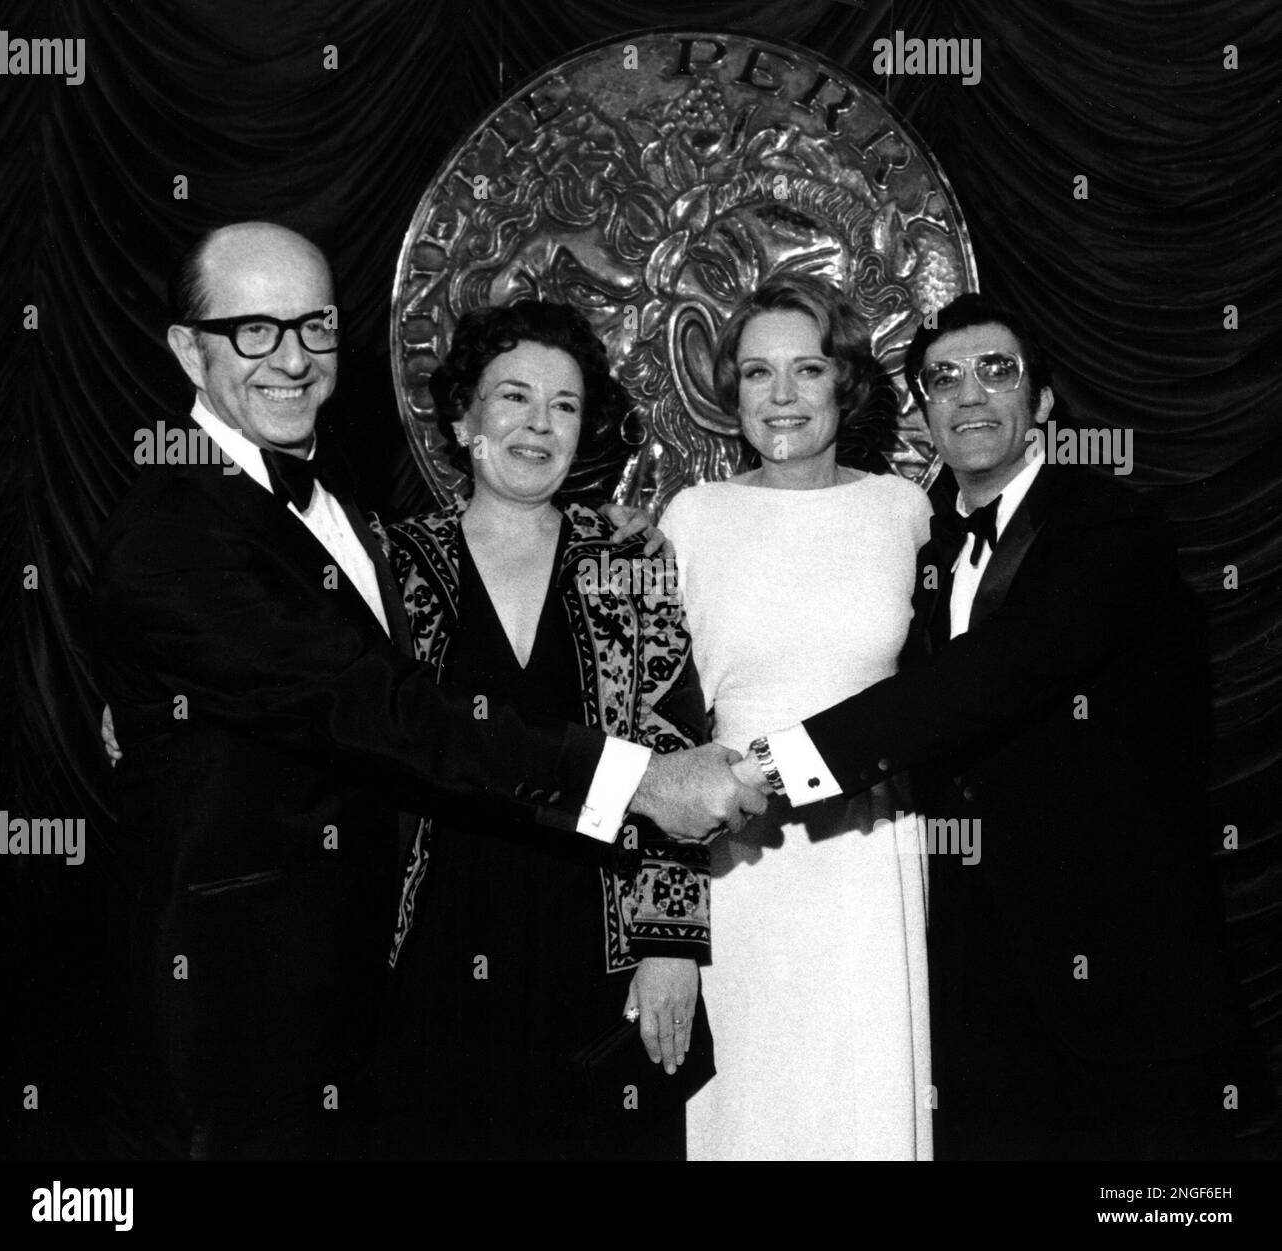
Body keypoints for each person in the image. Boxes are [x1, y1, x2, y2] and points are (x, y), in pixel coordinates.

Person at [92, 222, 764, 1159]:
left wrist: (669, 934)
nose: (291, 357)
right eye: (253, 330)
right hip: (264, 981)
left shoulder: (357, 525)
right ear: (187, 349)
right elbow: (372, 706)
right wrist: (641, 783)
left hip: (487, 958)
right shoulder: (178, 533)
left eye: (313, 325)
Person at [734, 292, 1245, 1160]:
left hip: (1122, 983)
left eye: (995, 372)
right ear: (925, 410)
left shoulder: (1112, 527)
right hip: (973, 991)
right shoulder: (924, 542)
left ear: (1041, 401)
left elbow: (993, 676)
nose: (969, 396)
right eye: (944, 379)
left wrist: (781, 766)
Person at [368, 300, 711, 1160]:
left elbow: (675, 741)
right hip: (433, 934)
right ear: (462, 417)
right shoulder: (390, 561)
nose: (539, 423)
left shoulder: (628, 556)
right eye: (513, 397)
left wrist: (670, 944)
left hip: (594, 934)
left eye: (563, 404)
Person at [658, 275, 934, 1160]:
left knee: (867, 1104)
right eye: (756, 373)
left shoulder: (905, 510)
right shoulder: (691, 519)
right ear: (728, 390)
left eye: (806, 370)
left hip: (870, 854)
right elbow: (656, 722)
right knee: (752, 1107)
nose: (781, 397)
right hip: (738, 857)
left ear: (842, 383)